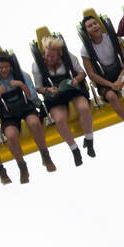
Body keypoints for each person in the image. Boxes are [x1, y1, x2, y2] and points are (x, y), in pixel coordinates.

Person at [0, 51, 54, 179]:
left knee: (35, 123)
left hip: (25, 108)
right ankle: (22, 166)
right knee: (10, 136)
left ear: (10, 65)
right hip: (8, 115)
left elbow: (32, 95)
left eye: (6, 67)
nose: (4, 70)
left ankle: (45, 156)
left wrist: (21, 85)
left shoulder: (20, 75)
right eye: (1, 67)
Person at [78, 14, 124, 141]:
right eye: (90, 26)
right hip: (105, 82)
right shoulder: (85, 50)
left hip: (121, 74)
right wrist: (111, 85)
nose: (94, 27)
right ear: (86, 31)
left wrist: (120, 78)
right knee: (112, 96)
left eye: (95, 23)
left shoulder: (113, 38)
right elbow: (91, 74)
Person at [32, 36, 93, 166]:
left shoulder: (67, 57)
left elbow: (81, 73)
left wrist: (76, 80)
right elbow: (38, 88)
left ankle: (89, 140)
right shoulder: (37, 65)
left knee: (84, 108)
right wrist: (48, 90)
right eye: (47, 55)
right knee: (59, 120)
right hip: (54, 96)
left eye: (52, 57)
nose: (49, 59)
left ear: (59, 54)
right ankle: (74, 149)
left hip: (72, 89)